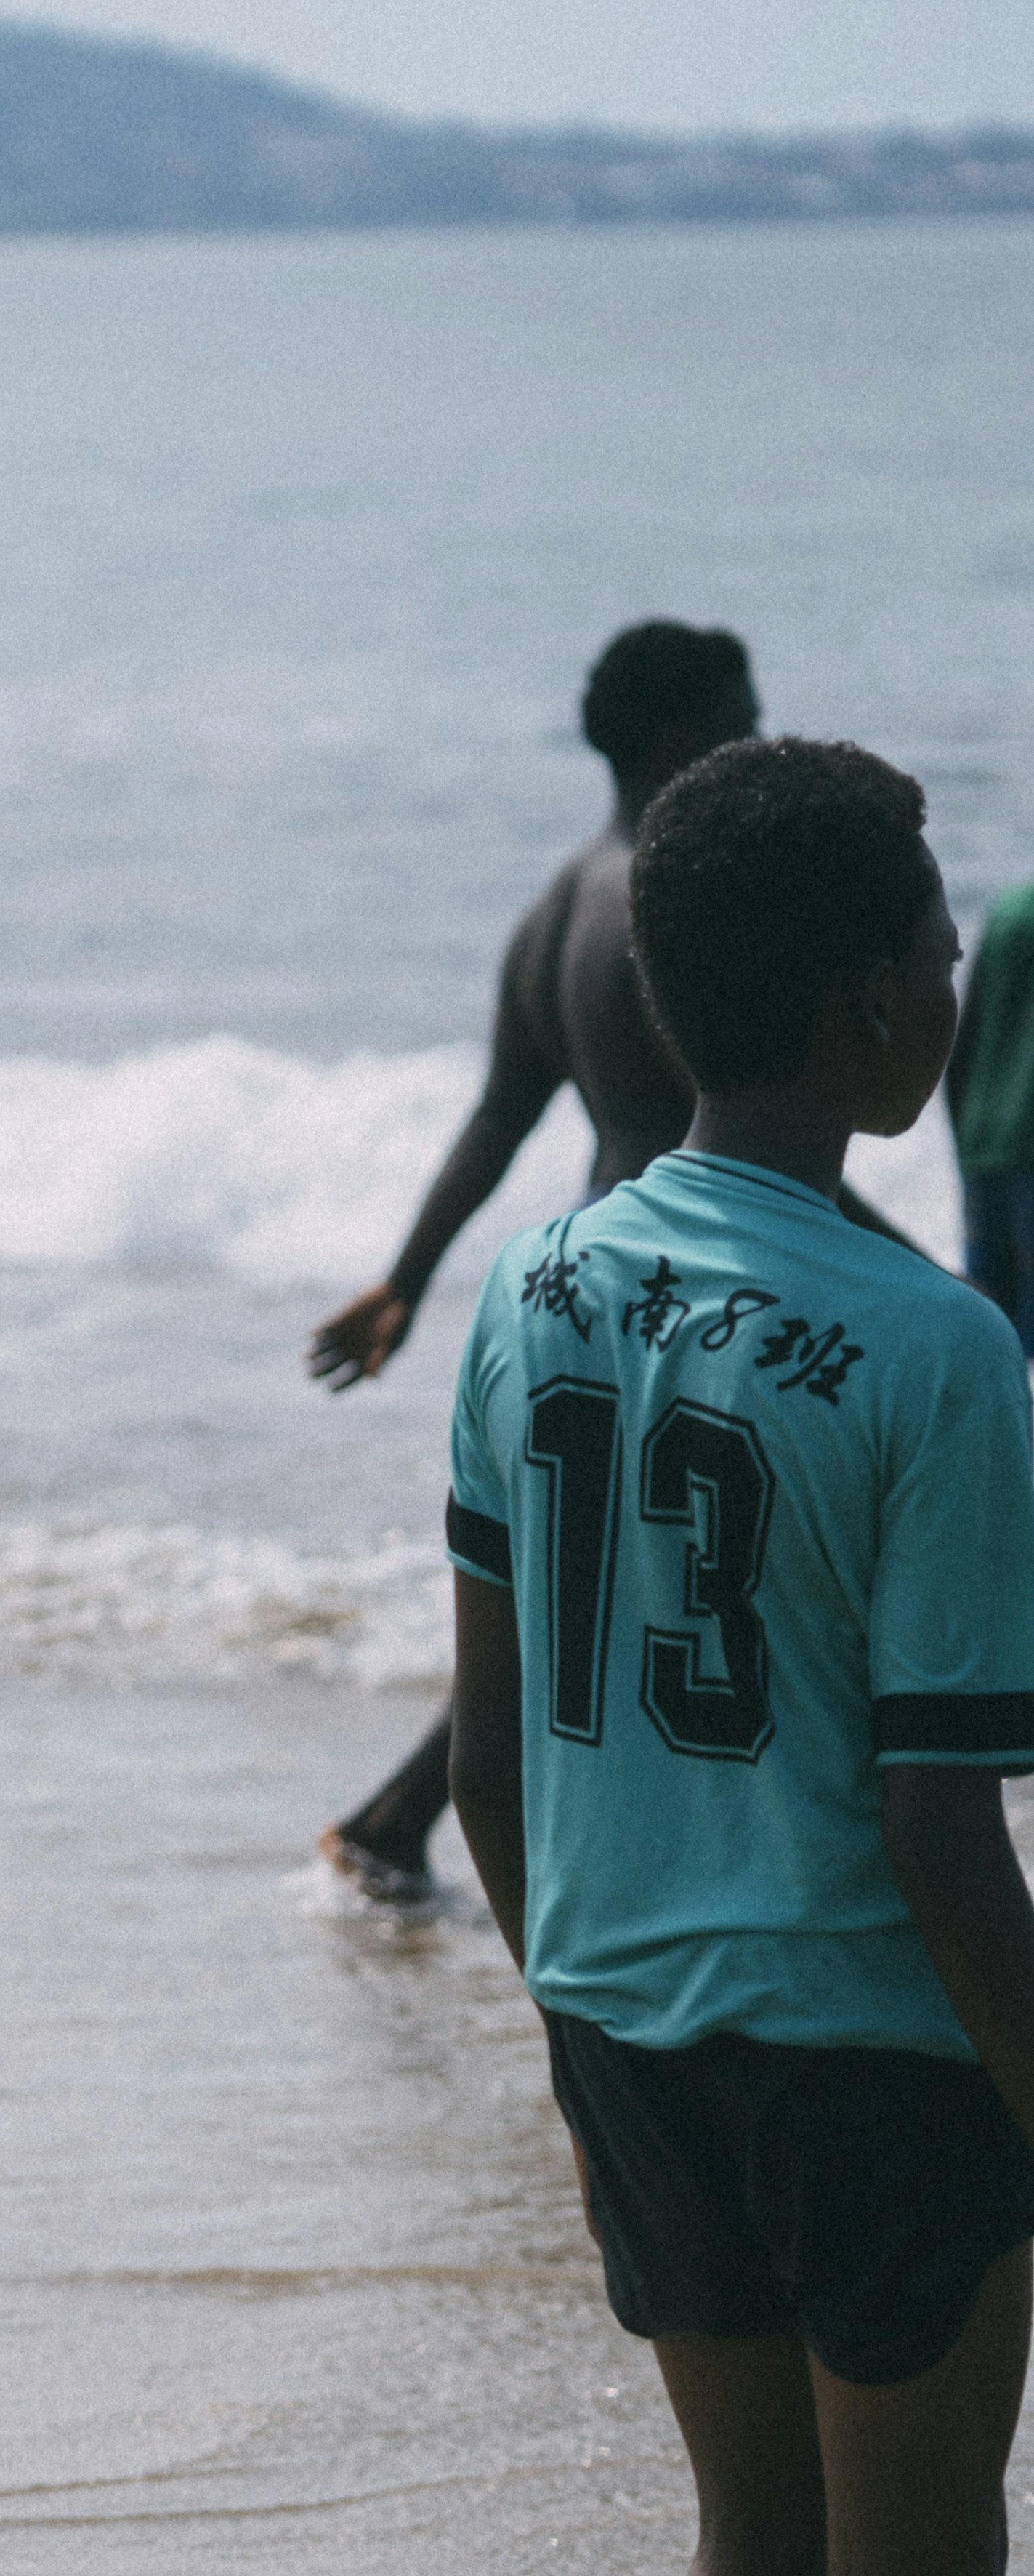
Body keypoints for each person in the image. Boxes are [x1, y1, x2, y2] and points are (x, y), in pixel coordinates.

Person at [366, 735, 1034, 2576]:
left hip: (625, 2023)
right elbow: (932, 1833)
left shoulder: (536, 1288)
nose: (954, 990)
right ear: (878, 1006)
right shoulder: (931, 1349)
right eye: (936, 955)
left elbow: (489, 1738)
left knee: (753, 2571)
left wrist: (566, 2023)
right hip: (871, 2070)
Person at [302, 621, 770, 1901]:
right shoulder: (670, 908)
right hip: (696, 1285)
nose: (759, 732)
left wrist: (405, 1277)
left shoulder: (563, 899)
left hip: (594, 1286)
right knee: (652, 1582)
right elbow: (765, 1141)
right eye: (740, 711)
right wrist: (933, 1291)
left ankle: (402, 1821)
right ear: (679, 737)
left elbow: (497, 1114)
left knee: (593, 1579)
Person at [949, 872, 1034, 1354]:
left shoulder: (1007, 912)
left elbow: (963, 1044)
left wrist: (967, 1146)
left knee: (988, 1329)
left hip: (986, 1144)